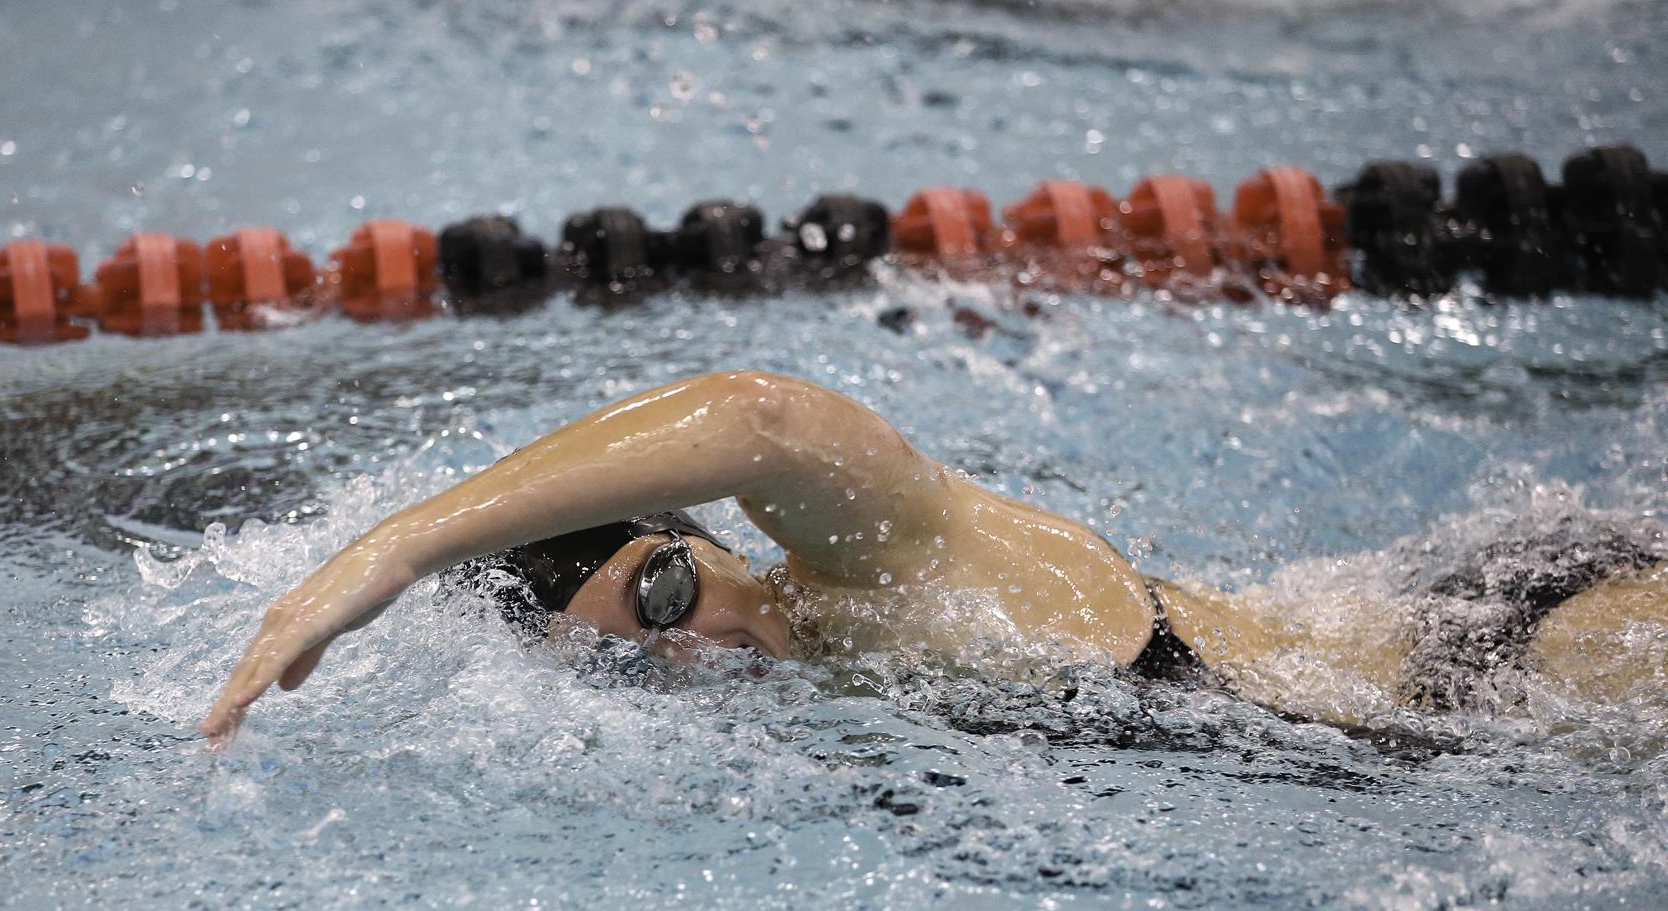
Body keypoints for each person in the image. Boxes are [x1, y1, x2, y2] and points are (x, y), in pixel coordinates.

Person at [200, 370, 1667, 746]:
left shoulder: (879, 576)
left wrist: (393, 550)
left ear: (697, 542)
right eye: (630, 664)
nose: (686, 640)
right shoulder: (846, 695)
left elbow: (763, 416)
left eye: (662, 590)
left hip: (1520, 658)